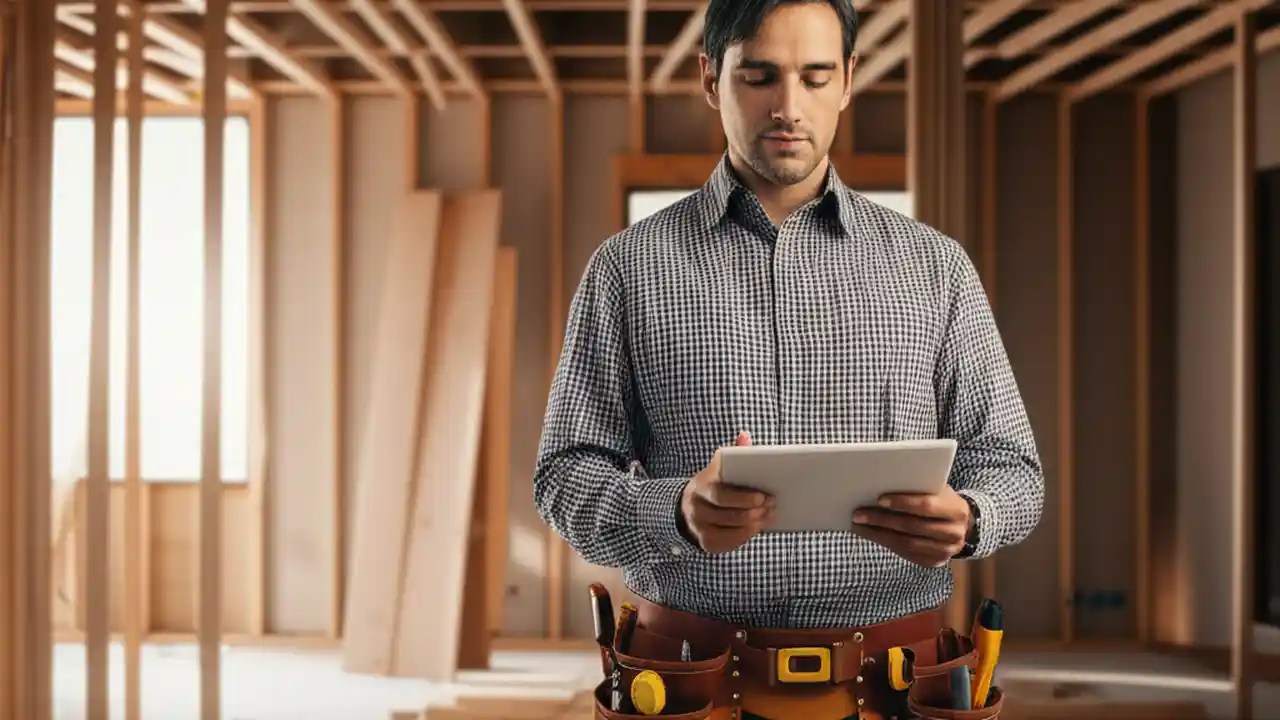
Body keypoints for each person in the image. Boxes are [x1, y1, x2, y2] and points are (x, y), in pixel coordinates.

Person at [534, 0, 1044, 716]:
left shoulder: (937, 270)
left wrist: (972, 516)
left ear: (849, 79)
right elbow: (563, 477)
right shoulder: (628, 269)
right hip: (691, 688)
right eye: (760, 76)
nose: (788, 106)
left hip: (897, 688)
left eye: (814, 76)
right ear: (712, 78)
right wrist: (673, 510)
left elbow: (1013, 469)